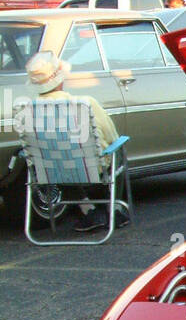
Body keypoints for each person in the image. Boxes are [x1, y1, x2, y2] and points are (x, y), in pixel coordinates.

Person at [23, 53, 127, 231]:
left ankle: (89, 211)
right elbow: (112, 137)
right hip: (93, 167)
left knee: (57, 161)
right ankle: (115, 211)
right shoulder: (86, 104)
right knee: (119, 148)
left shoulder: (28, 110)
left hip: (51, 171)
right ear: (61, 80)